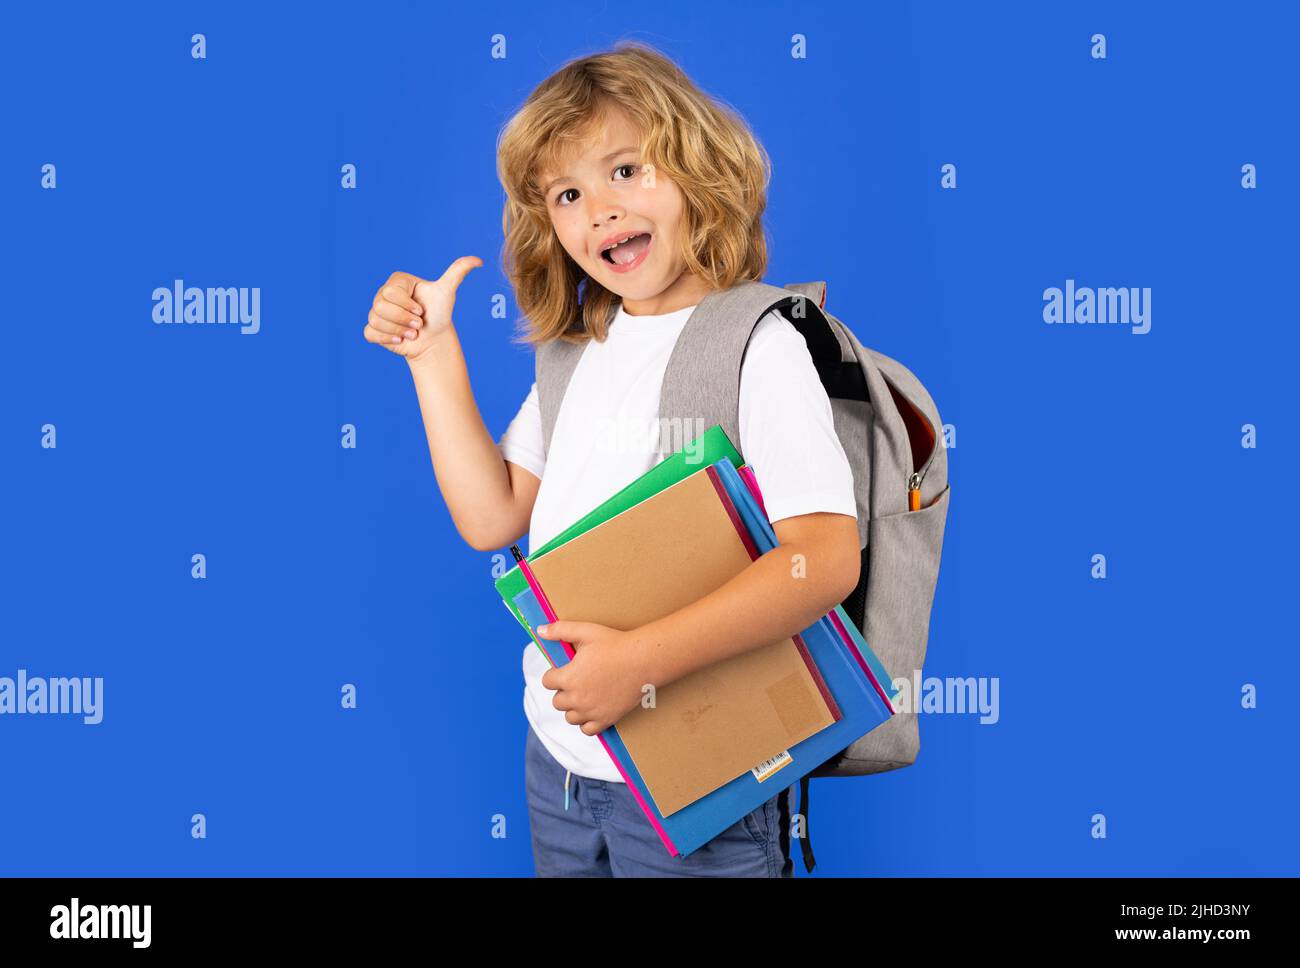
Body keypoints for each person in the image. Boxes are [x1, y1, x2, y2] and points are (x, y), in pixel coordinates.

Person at [363, 40, 858, 877]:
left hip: (701, 772)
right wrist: (432, 356)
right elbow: (492, 518)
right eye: (568, 193)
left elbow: (824, 560)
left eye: (626, 171)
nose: (599, 209)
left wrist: (638, 665)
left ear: (697, 167)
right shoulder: (577, 350)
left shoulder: (758, 345)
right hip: (562, 765)